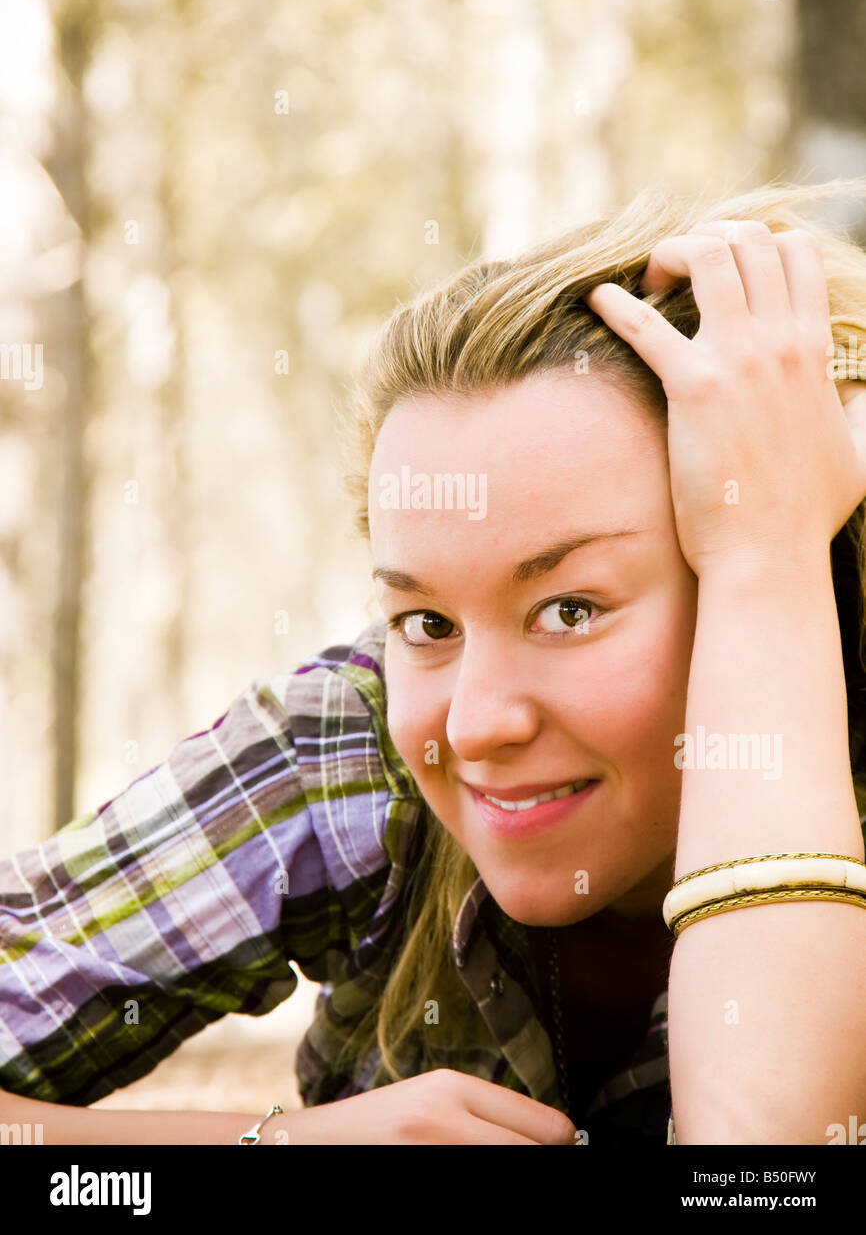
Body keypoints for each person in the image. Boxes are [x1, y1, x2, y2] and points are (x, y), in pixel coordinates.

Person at [3, 178, 866, 1146]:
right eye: (424, 622)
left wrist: (769, 554)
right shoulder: (344, 750)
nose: (470, 723)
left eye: (567, 608)